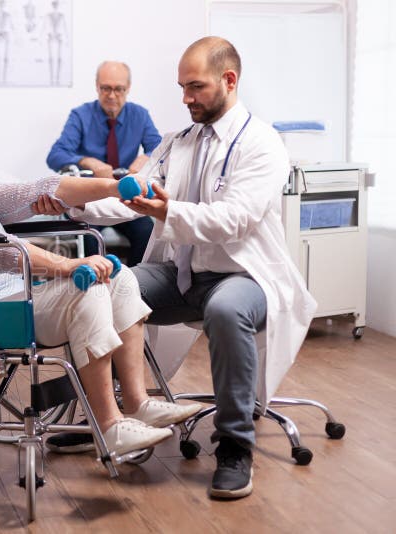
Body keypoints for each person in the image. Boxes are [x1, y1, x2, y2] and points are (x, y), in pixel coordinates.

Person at [38, 37, 317, 499]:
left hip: (243, 277)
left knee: (226, 311)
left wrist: (167, 211)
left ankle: (234, 446)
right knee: (104, 286)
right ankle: (106, 420)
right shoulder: (177, 143)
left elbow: (235, 219)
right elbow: (131, 198)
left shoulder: (263, 144)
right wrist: (74, 210)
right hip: (182, 275)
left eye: (196, 87)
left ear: (229, 81)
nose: (185, 98)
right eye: (181, 87)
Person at [0, 108, 201, 457]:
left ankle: (137, 402)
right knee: (85, 290)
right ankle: (110, 425)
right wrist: (69, 265)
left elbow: (41, 189)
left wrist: (114, 186)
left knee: (120, 279)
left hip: (11, 304)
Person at [46, 61, 161, 265]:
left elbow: (162, 150)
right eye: (106, 88)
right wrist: (88, 161)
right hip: (90, 198)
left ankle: (135, 286)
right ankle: (96, 290)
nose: (112, 95)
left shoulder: (140, 115)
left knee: (146, 232)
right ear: (97, 86)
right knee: (90, 237)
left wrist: (146, 158)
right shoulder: (81, 115)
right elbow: (55, 155)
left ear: (128, 89)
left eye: (119, 89)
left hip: (125, 199)